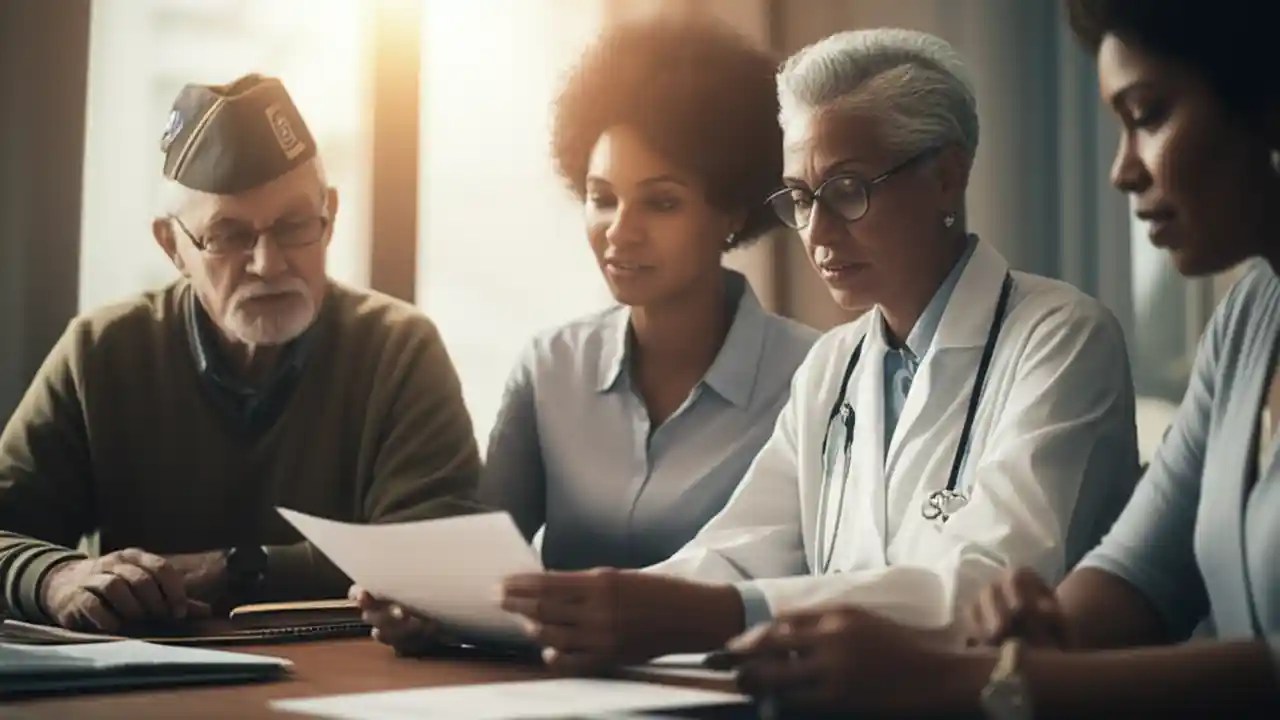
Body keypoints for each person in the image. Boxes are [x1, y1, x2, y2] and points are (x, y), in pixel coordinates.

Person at [366, 28, 1139, 669]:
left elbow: (986, 583)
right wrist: (539, 613)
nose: (818, 235)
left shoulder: (1060, 339)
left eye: (846, 191)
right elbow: (735, 555)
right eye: (801, 199)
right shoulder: (836, 367)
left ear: (947, 177)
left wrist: (707, 611)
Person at [728, 2, 1280, 717]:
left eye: (1148, 115)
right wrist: (1031, 629)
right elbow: (1141, 574)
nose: (1121, 171)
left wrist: (968, 679)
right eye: (803, 198)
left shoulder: (1060, 334)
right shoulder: (1247, 321)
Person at [354, 17, 817, 650]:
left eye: (661, 202)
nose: (619, 231)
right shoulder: (551, 366)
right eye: (602, 198)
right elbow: (483, 561)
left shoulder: (814, 378)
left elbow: (815, 588)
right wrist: (423, 605)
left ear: (732, 211)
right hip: (552, 693)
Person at [0, 74, 481, 633]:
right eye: (228, 236)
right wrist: (55, 577)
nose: (268, 264)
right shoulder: (103, 352)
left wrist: (240, 569)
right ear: (171, 245)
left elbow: (433, 552)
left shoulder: (398, 349)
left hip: (350, 686)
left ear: (330, 216)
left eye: (296, 225)